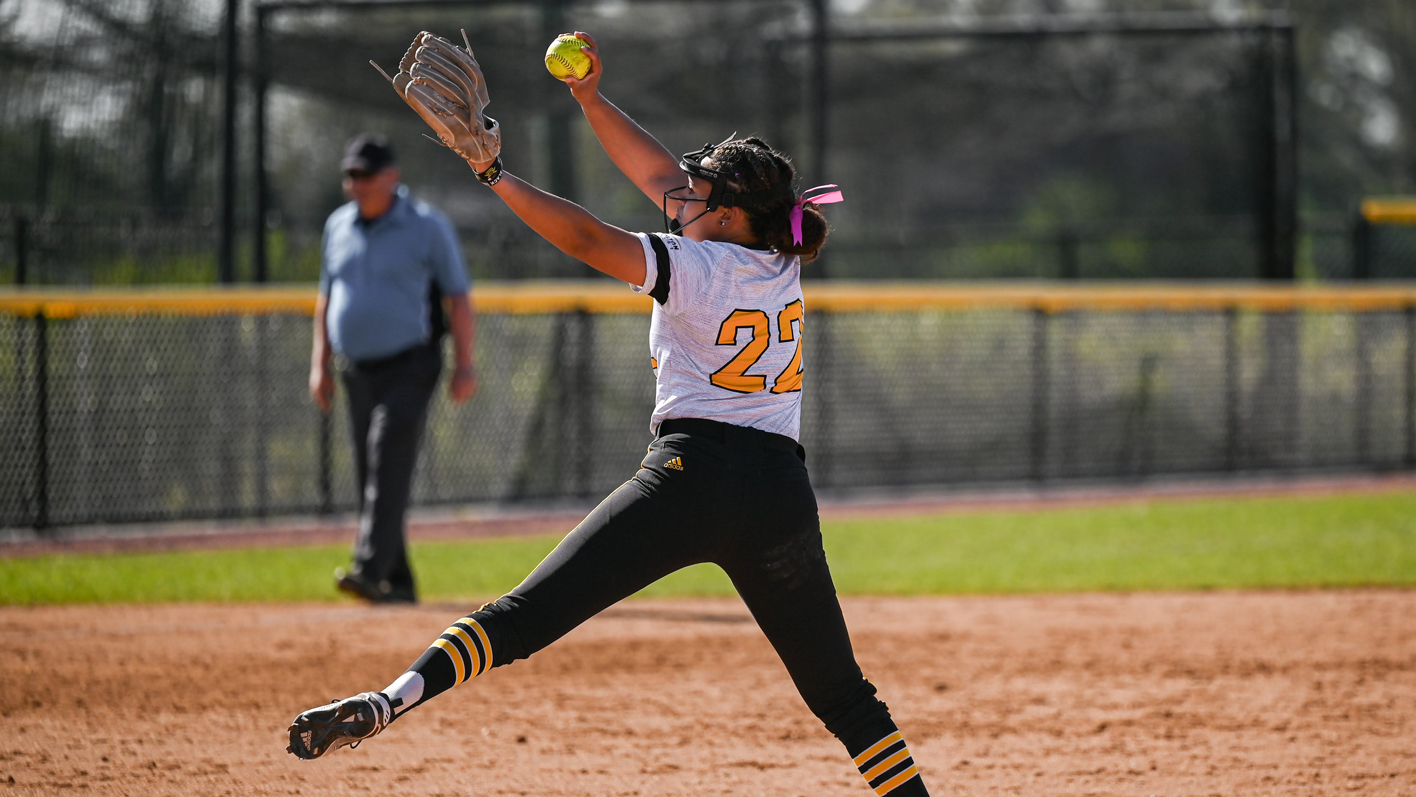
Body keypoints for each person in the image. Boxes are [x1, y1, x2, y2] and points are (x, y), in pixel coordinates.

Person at [289, 33, 930, 797]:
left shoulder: (692, 264)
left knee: (523, 616)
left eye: (698, 195)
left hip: (687, 482)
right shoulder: (778, 257)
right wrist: (589, 98)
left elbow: (590, 237)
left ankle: (389, 699)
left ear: (727, 216)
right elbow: (657, 170)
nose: (679, 195)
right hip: (776, 498)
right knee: (845, 697)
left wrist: (493, 171)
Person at [310, 133, 478, 605]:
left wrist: (465, 364)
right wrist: (318, 365)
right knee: (373, 473)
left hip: (412, 362)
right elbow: (326, 300)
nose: (354, 184)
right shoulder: (337, 226)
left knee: (386, 455)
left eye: (364, 174)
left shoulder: (426, 226)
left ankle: (367, 567)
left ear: (391, 177)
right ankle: (398, 582)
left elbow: (458, 297)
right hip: (355, 368)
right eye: (349, 175)